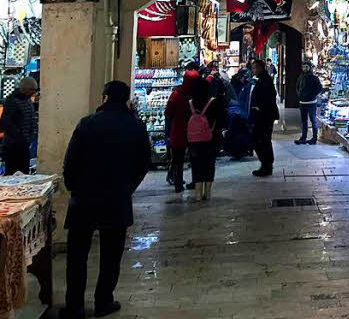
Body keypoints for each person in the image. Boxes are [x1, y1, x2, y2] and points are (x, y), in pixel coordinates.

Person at [60, 80, 150, 319]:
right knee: (111, 255)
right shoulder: (136, 126)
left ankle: (74, 307)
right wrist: (128, 186)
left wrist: (74, 187)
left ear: (105, 97)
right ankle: (103, 301)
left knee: (77, 256)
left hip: (84, 198)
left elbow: (71, 161)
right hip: (117, 198)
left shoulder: (87, 123)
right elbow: (144, 162)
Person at [186, 76, 222, 201]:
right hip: (210, 140)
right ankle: (207, 192)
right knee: (209, 164)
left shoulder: (190, 103)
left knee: (196, 165)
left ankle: (197, 194)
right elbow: (220, 121)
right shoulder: (213, 102)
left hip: (193, 141)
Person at [164, 69, 200, 193]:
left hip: (178, 130)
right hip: (196, 131)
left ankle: (178, 183)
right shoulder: (198, 95)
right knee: (195, 158)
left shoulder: (176, 95)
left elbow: (168, 113)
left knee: (178, 159)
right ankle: (196, 181)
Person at [1, 77, 38, 175]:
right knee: (13, 174)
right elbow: (6, 123)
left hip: (23, 145)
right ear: (25, 89)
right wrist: (19, 138)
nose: (33, 93)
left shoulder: (27, 100)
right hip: (13, 147)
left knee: (23, 173)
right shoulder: (12, 101)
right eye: (32, 90)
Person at [249, 58, 279, 177]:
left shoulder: (265, 80)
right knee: (261, 140)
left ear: (260, 68)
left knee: (262, 140)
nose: (253, 70)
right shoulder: (262, 79)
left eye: (254, 68)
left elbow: (269, 97)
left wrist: (259, 108)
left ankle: (266, 165)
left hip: (264, 116)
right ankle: (266, 165)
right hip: (263, 115)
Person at [295, 62, 324, 145]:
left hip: (311, 102)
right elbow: (297, 87)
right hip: (302, 102)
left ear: (310, 67)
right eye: (303, 67)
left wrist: (312, 95)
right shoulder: (301, 77)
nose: (304, 69)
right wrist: (299, 95)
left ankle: (314, 138)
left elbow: (319, 88)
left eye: (306, 67)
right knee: (304, 121)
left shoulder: (314, 78)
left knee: (313, 120)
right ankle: (303, 138)